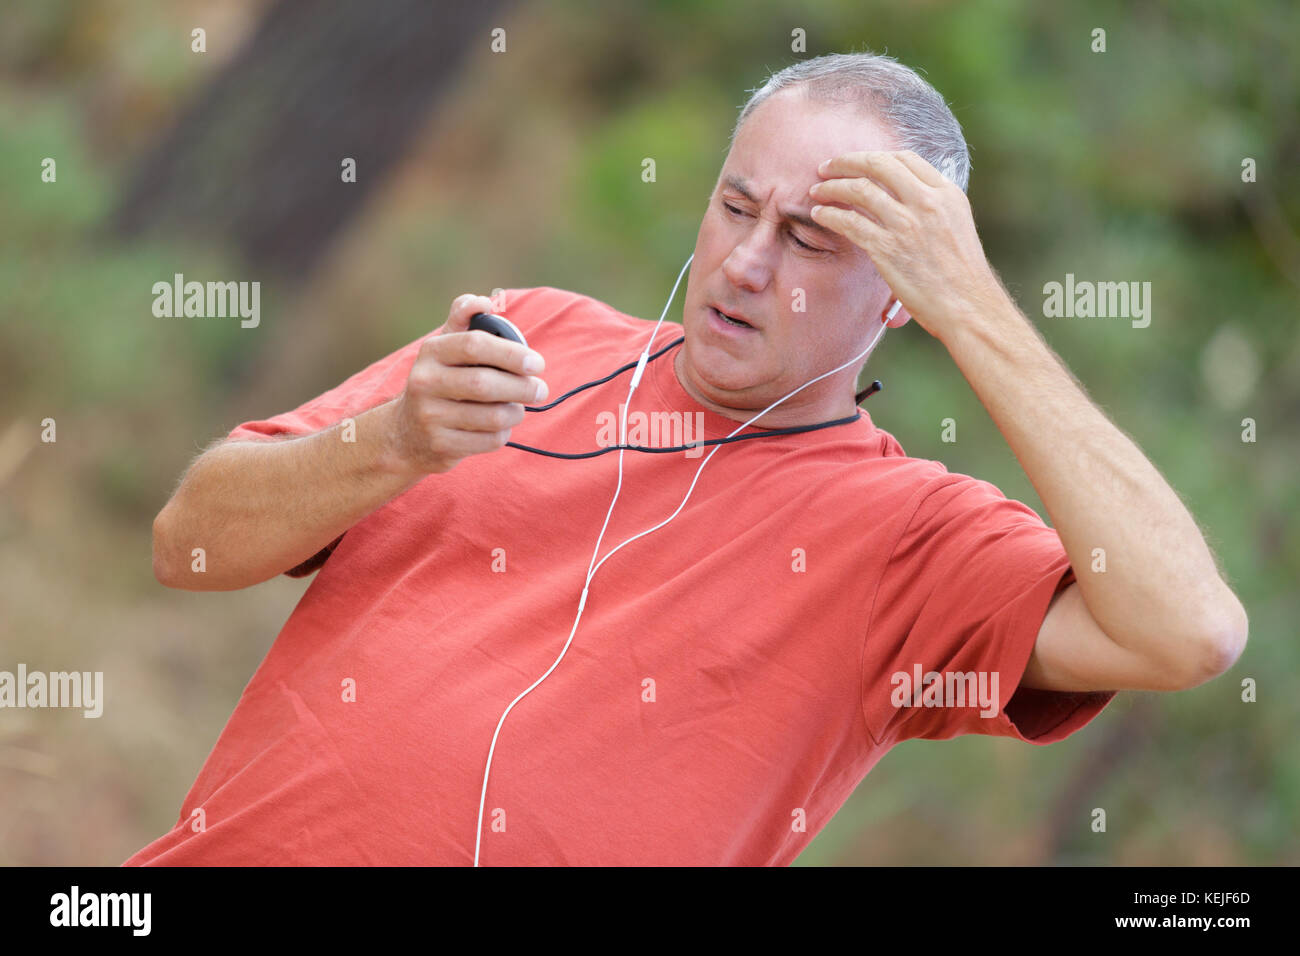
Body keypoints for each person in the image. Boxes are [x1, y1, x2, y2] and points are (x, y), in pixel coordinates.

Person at [127, 52, 1247, 866]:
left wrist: (979, 313)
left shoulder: (911, 537)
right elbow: (188, 542)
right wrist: (393, 441)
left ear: (907, 291)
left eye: (810, 238)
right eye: (735, 207)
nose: (748, 263)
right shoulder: (530, 337)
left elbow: (1187, 628)